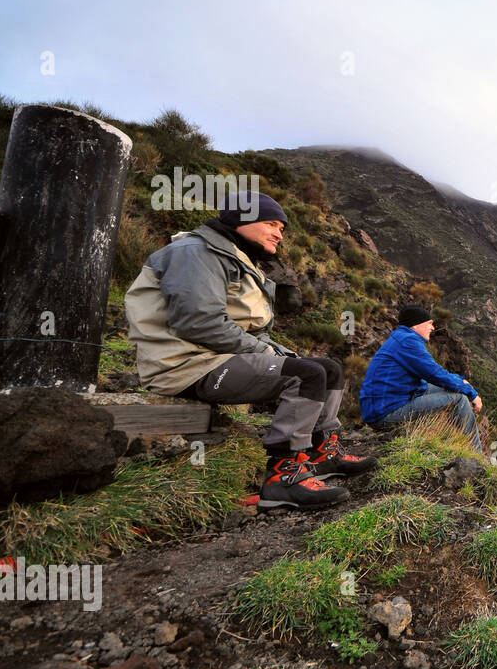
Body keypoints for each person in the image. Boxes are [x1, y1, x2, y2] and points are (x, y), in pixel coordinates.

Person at [125, 190, 376, 511]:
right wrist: (271, 354)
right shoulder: (195, 253)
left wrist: (279, 353)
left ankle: (321, 453)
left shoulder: (232, 256)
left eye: (282, 228)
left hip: (215, 359)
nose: (278, 234)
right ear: (243, 220)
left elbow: (239, 331)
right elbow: (199, 323)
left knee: (328, 369)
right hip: (184, 366)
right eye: (271, 223)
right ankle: (283, 477)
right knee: (303, 376)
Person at [360, 305, 484, 452]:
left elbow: (433, 374)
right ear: (416, 325)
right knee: (459, 399)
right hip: (384, 414)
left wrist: (460, 381)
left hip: (389, 402)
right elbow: (435, 374)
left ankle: (461, 445)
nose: (432, 328)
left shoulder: (401, 338)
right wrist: (471, 392)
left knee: (452, 387)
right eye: (429, 323)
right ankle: (477, 455)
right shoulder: (408, 342)